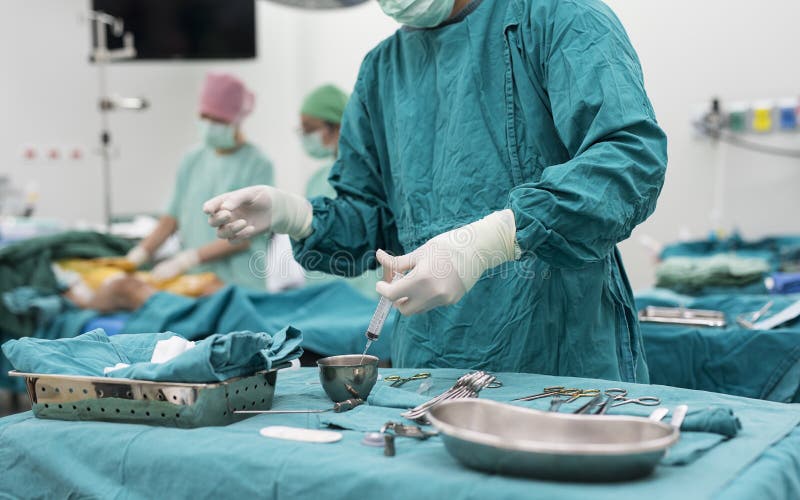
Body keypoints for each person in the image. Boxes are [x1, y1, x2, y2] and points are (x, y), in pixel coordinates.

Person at [203, 0, 668, 381]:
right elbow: (374, 223)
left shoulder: (557, 18)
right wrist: (295, 214)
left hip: (558, 366)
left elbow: (630, 159)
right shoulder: (383, 70)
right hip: (429, 369)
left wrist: (493, 240)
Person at [126, 72, 274, 290]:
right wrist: (138, 255)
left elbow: (245, 234)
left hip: (239, 282)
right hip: (195, 279)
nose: (209, 124)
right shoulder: (192, 159)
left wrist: (189, 258)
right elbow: (170, 219)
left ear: (236, 120)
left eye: (218, 119)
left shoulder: (258, 165)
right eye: (205, 117)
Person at [298, 84, 381, 297]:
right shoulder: (316, 179)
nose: (304, 136)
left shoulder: (372, 174)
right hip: (319, 295)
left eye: (309, 128)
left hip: (363, 297)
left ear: (336, 126)